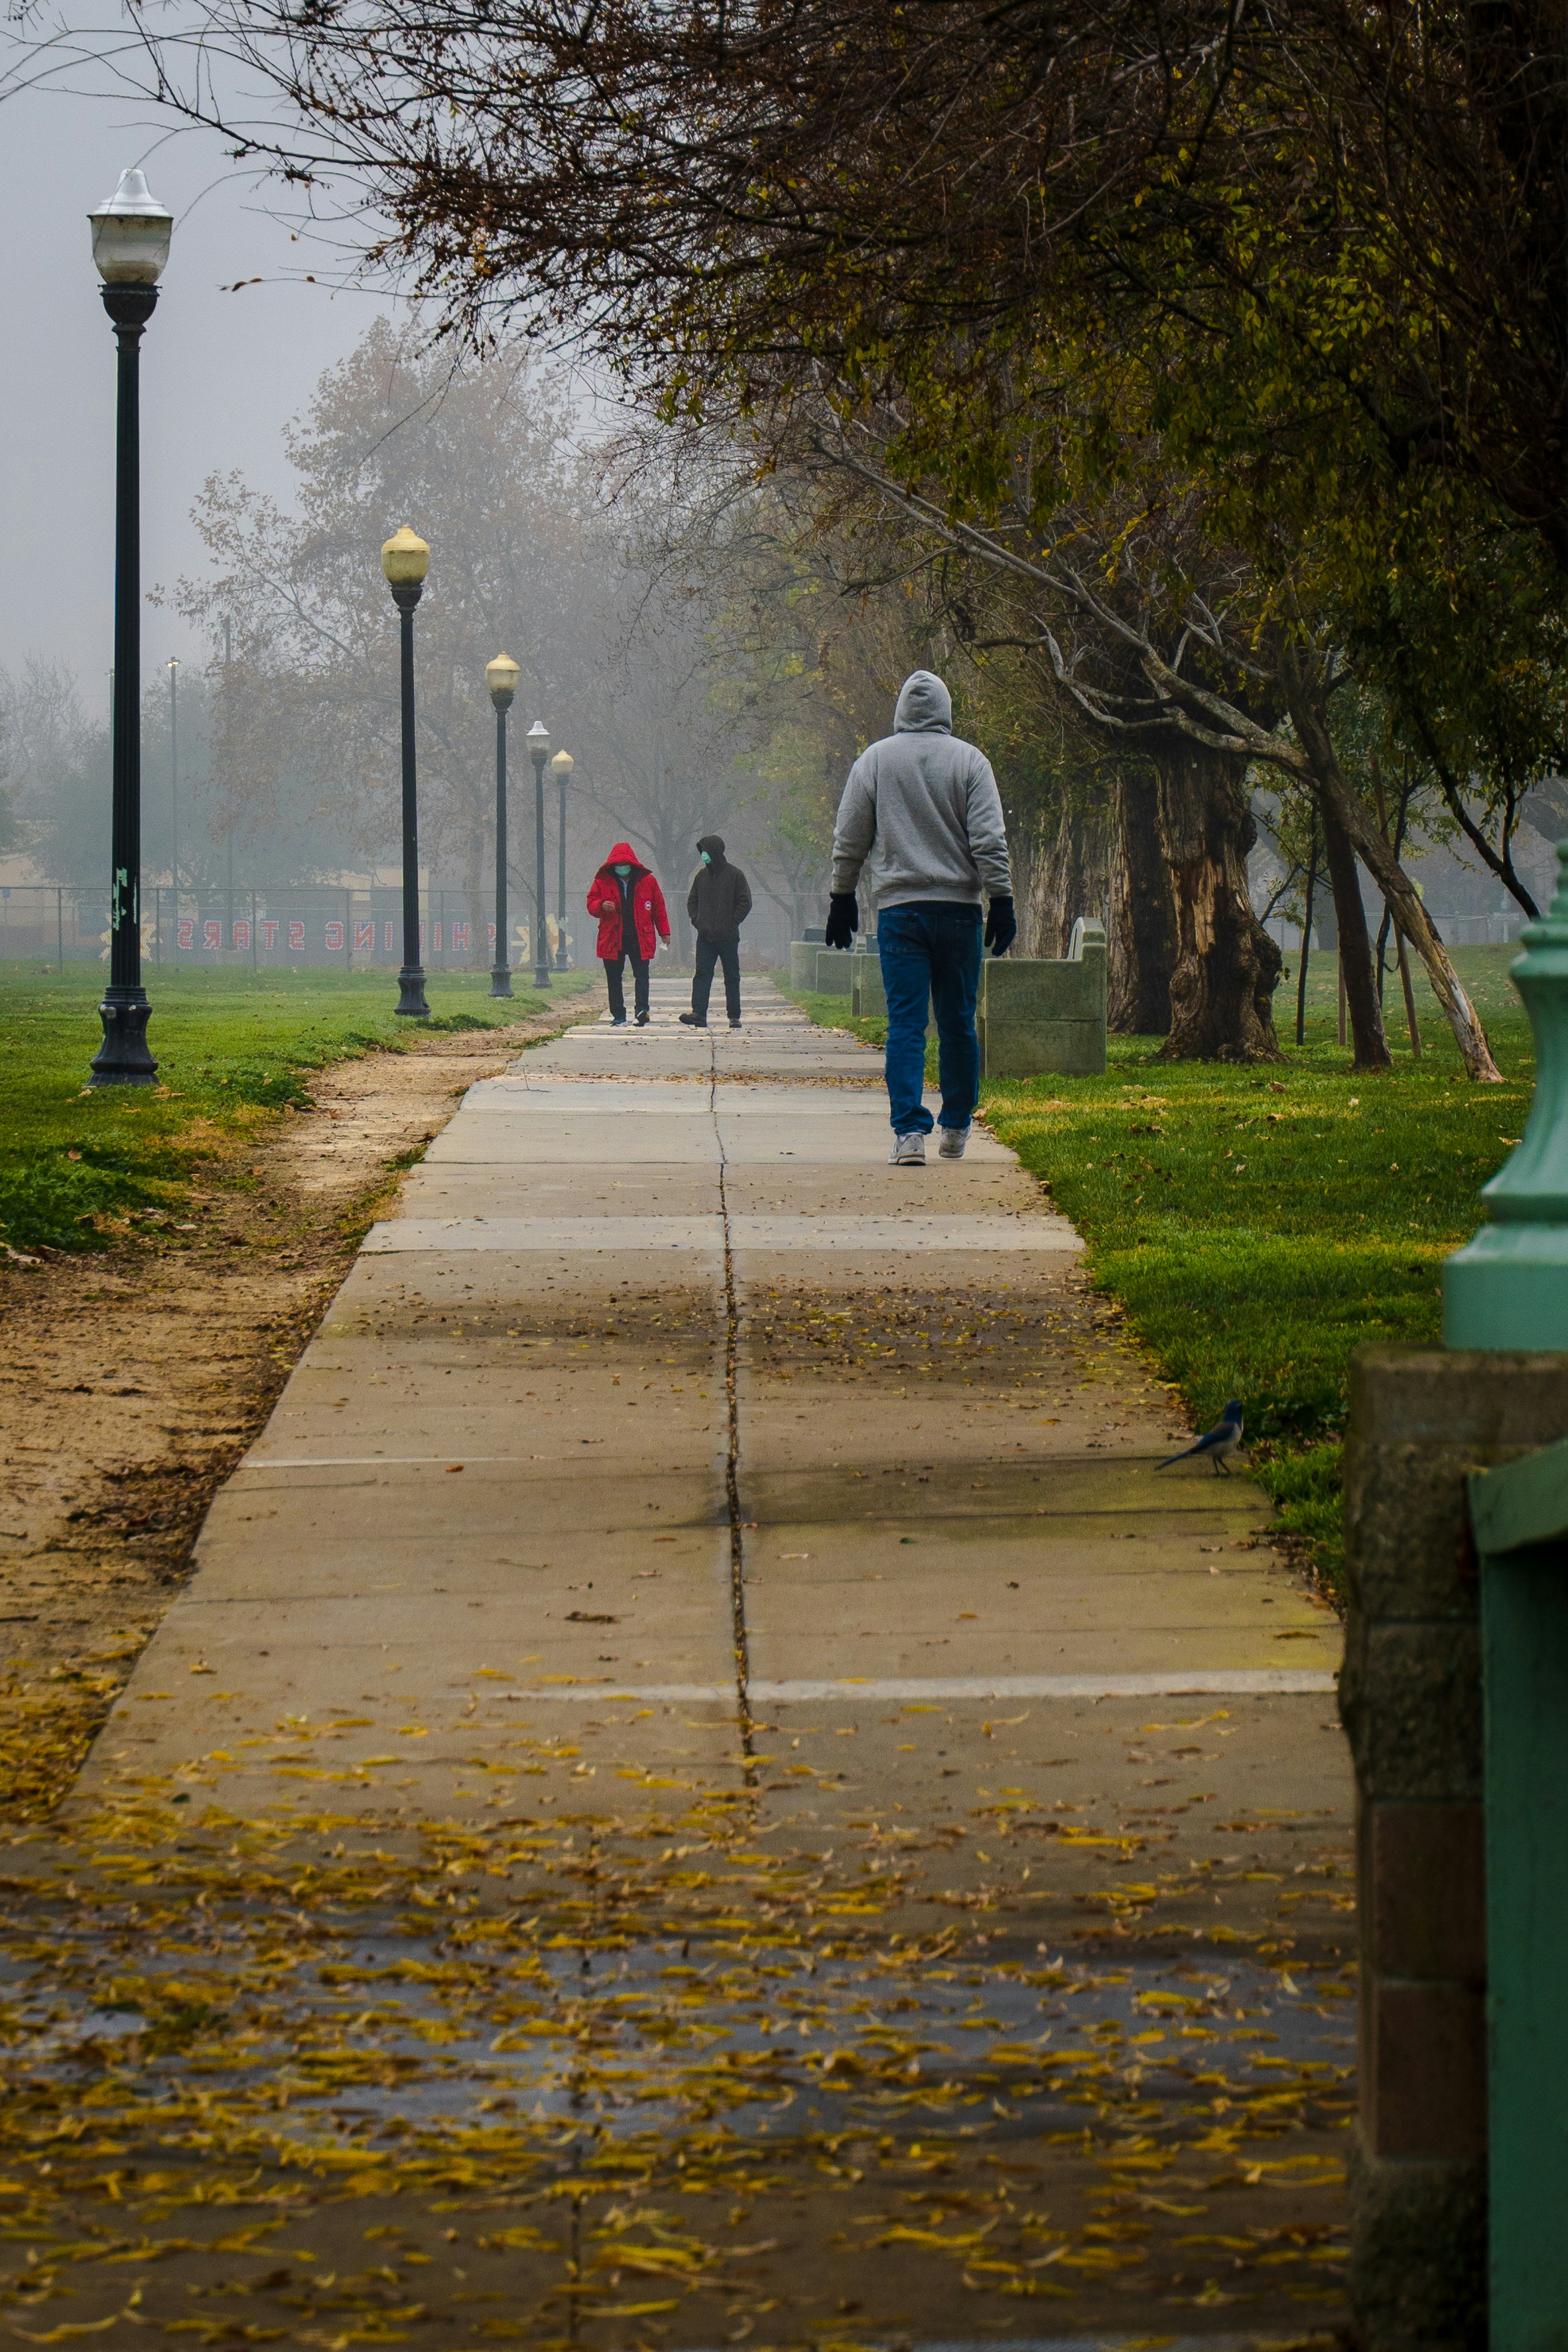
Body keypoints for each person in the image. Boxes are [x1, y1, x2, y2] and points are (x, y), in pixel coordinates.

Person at [825, 669, 1015, 1165]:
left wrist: (841, 894)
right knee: (958, 1022)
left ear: (901, 711)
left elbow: (850, 834)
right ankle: (955, 1124)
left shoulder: (875, 761)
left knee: (905, 1024)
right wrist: (1002, 898)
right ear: (947, 712)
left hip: (900, 911)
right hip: (959, 913)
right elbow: (989, 840)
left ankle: (909, 1132)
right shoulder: (971, 762)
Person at [586, 842, 669, 1026]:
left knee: (641, 974)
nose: (622, 868)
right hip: (612, 937)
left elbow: (658, 908)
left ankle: (642, 1010)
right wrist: (601, 905)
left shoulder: (648, 881)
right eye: (618, 865)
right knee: (614, 977)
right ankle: (618, 1014)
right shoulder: (602, 881)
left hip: (640, 937)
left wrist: (664, 932)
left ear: (632, 864)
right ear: (612, 866)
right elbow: (591, 903)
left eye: (625, 865)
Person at [679, 833, 752, 1029]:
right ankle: (699, 1014)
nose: (703, 855)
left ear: (715, 852)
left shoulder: (735, 875)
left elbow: (745, 902)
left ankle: (734, 1016)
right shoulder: (701, 877)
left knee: (732, 976)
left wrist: (732, 922)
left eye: (706, 851)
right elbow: (692, 901)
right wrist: (698, 921)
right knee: (702, 974)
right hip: (705, 938)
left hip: (728, 938)